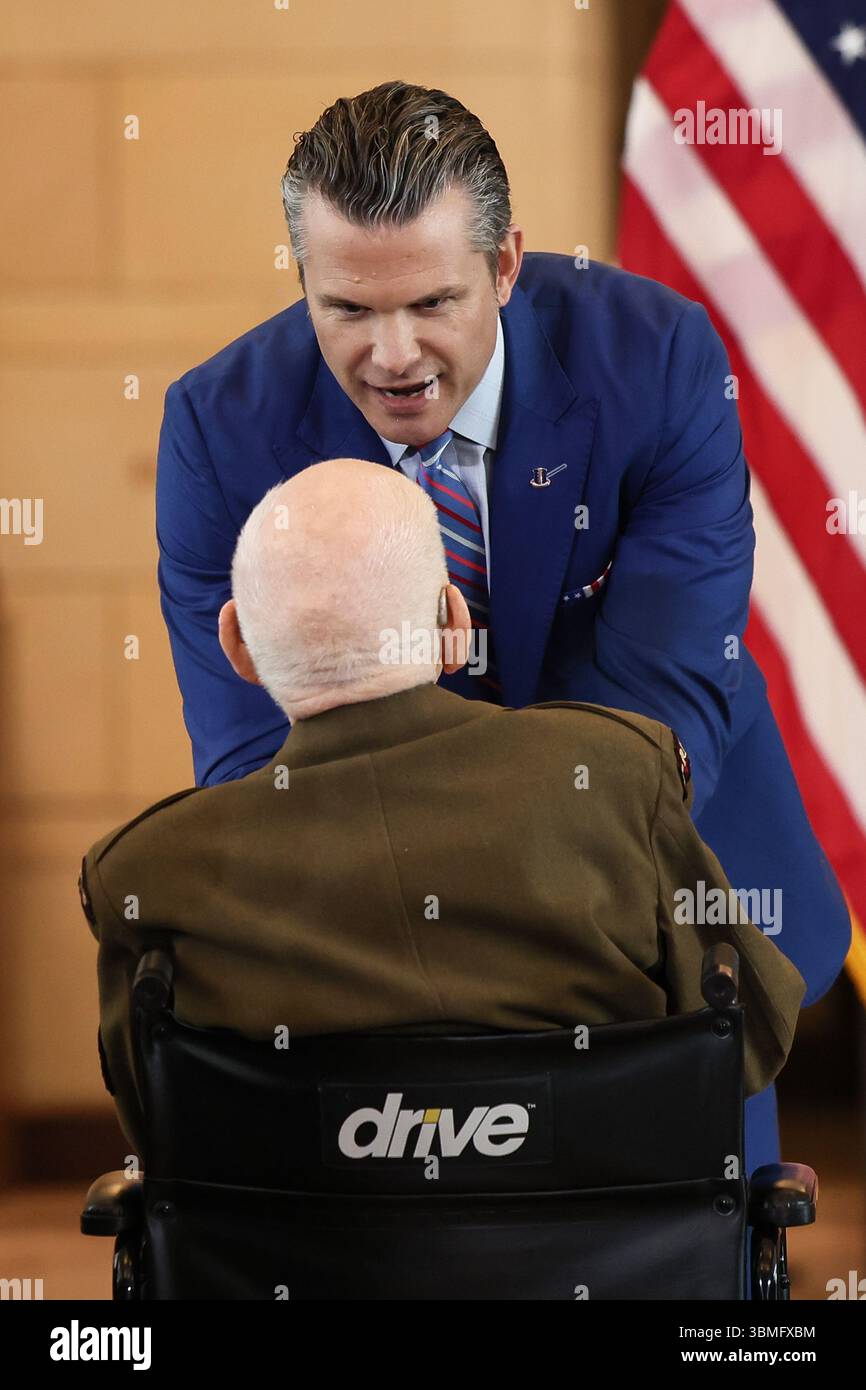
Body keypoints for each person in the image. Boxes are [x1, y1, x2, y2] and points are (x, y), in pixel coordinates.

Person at [154, 79, 849, 1175]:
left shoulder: (656, 359)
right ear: (303, 281)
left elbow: (664, 703)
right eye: (347, 309)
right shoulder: (217, 431)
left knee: (701, 1265)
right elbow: (259, 767)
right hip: (374, 946)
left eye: (432, 301)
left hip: (665, 898)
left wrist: (493, 914)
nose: (391, 354)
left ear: (506, 265)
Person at [81, 459, 805, 1157]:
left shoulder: (151, 877)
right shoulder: (615, 776)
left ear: (236, 644)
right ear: (456, 622)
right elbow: (748, 1038)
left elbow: (164, 1136)